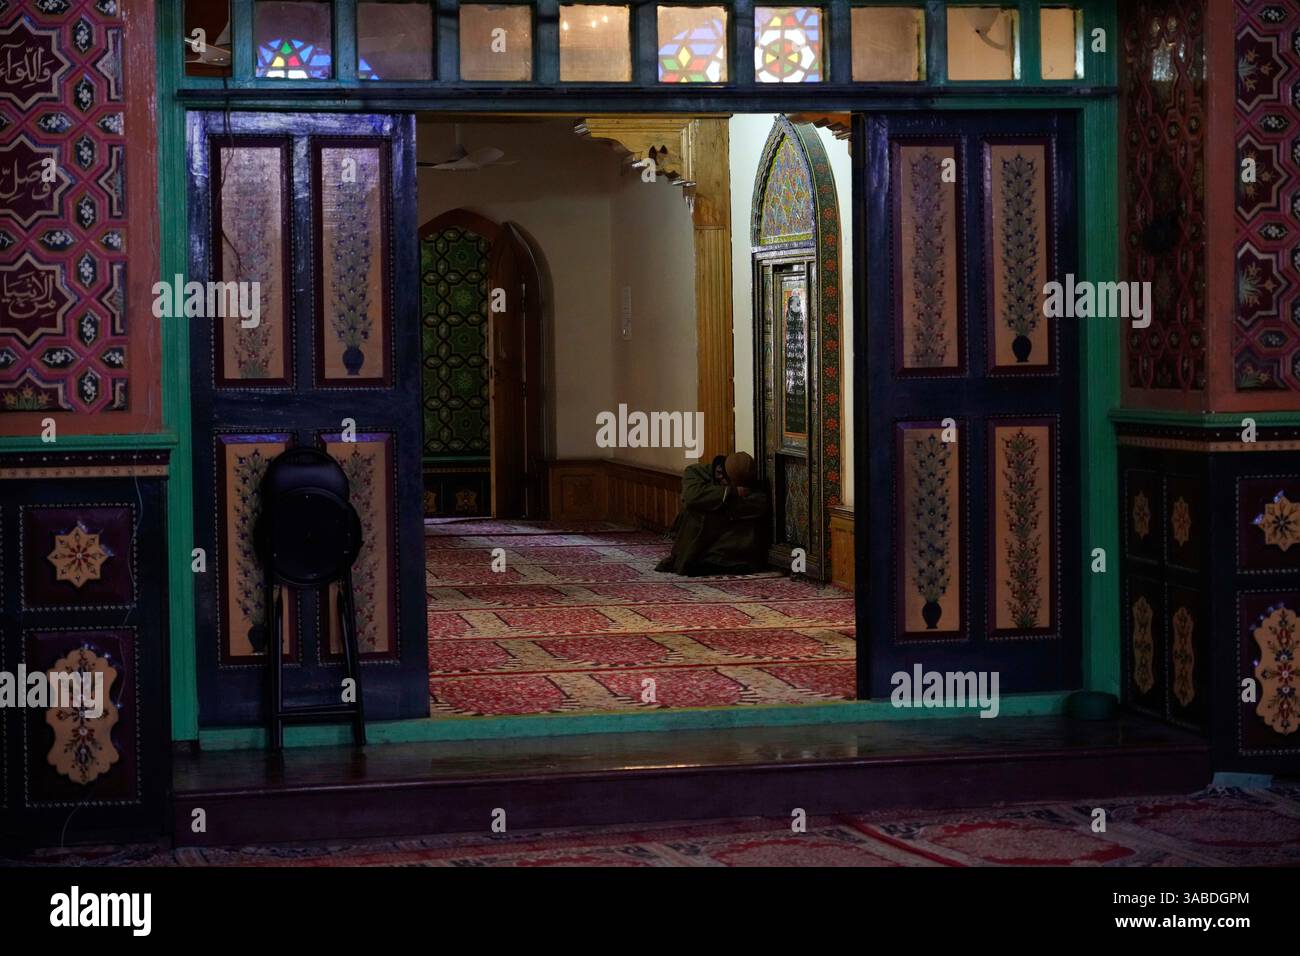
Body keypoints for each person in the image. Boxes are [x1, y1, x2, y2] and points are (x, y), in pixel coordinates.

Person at [655, 451, 770, 576]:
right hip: (698, 530)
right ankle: (685, 559)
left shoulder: (747, 481)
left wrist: (714, 503)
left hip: (729, 541)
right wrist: (731, 492)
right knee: (697, 513)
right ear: (720, 474)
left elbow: (759, 502)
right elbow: (691, 497)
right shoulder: (695, 472)